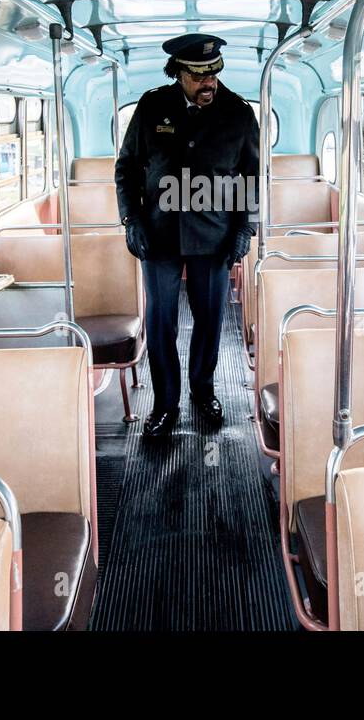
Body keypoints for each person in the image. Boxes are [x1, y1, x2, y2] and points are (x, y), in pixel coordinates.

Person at [115, 33, 259, 438]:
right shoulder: (151, 107)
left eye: (213, 73)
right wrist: (131, 220)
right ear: (177, 73)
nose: (208, 83)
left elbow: (253, 177)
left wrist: (245, 227)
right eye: (198, 76)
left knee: (210, 319)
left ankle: (203, 389)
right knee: (161, 323)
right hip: (158, 235)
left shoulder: (238, 114)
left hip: (213, 236)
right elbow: (126, 170)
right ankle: (165, 404)